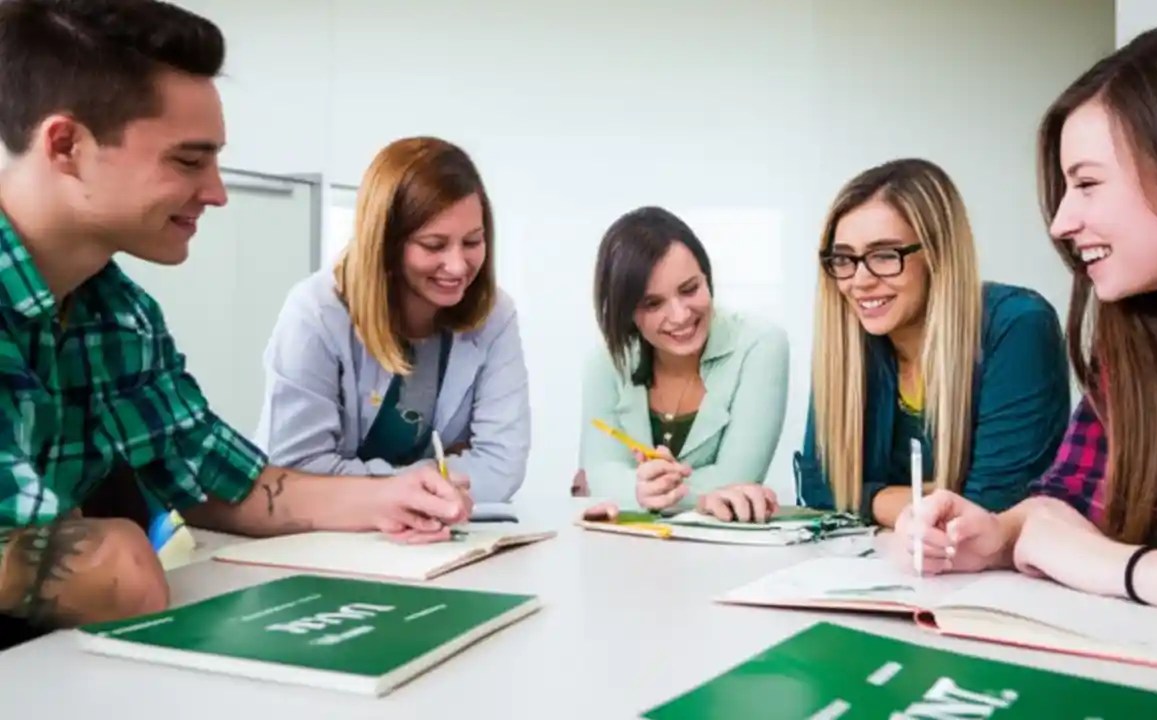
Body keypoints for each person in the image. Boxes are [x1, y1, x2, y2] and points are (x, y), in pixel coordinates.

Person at [0, 0, 468, 646]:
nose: (217, 192)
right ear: (66, 146)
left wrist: (385, 497)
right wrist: (105, 563)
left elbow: (218, 479)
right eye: (188, 161)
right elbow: (103, 572)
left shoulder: (120, 314)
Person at [894, 15, 1157, 645]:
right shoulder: (1150, 350)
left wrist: (1117, 567)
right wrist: (996, 535)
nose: (1061, 223)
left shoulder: (1016, 323)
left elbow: (1090, 552)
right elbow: (1069, 501)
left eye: (1088, 184)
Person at [788, 158, 1070, 527]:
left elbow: (991, 507)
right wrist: (926, 501)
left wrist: (865, 497)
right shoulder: (851, 342)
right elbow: (816, 485)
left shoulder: (1018, 325)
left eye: (884, 255)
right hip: (888, 557)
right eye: (843, 259)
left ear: (938, 253)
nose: (859, 280)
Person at [255, 136, 531, 504]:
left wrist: (355, 477)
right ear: (385, 243)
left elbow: (501, 467)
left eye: (472, 242)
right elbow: (298, 471)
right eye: (434, 245)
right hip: (323, 531)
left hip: (439, 531)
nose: (457, 266)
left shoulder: (496, 315)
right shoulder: (315, 313)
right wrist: (429, 478)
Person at [577, 206, 789, 521]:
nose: (679, 316)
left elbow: (739, 477)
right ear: (627, 312)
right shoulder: (605, 362)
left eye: (690, 289)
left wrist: (643, 492)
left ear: (707, 277)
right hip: (630, 544)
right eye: (652, 303)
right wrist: (641, 490)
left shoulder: (761, 344)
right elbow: (598, 472)